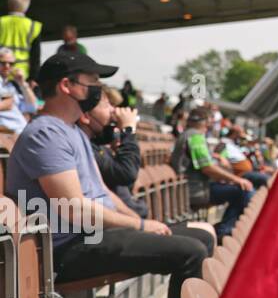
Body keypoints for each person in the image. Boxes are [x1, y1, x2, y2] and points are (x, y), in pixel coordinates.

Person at [3, 53, 208, 298]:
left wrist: (139, 221)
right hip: (72, 246)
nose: (97, 88)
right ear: (67, 86)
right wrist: (140, 227)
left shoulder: (72, 130)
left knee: (203, 239)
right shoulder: (45, 134)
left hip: (95, 234)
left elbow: (103, 191)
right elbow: (75, 210)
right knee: (191, 252)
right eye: (92, 81)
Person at [76, 93, 215, 254]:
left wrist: (117, 140)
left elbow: (123, 181)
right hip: (113, 229)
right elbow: (127, 173)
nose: (114, 111)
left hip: (133, 219)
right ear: (86, 116)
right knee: (198, 243)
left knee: (205, 233)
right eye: (107, 105)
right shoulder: (86, 147)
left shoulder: (97, 146)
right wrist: (128, 130)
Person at [170, 107, 253, 241]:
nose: (210, 126)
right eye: (210, 122)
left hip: (192, 188)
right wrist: (237, 180)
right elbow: (207, 168)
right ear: (205, 122)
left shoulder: (189, 134)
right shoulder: (195, 136)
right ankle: (223, 233)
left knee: (243, 186)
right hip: (194, 191)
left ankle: (223, 230)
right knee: (244, 191)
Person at [0, 0, 42, 80]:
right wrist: (33, 78)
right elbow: (35, 57)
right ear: (26, 8)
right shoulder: (33, 26)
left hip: (2, 72)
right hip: (21, 74)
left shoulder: (1, 22)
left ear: (9, 5)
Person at [0, 47, 38, 134]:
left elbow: (33, 107)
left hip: (20, 134)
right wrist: (3, 105)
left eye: (11, 64)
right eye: (3, 63)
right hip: (6, 135)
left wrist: (22, 83)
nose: (7, 66)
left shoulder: (11, 86)